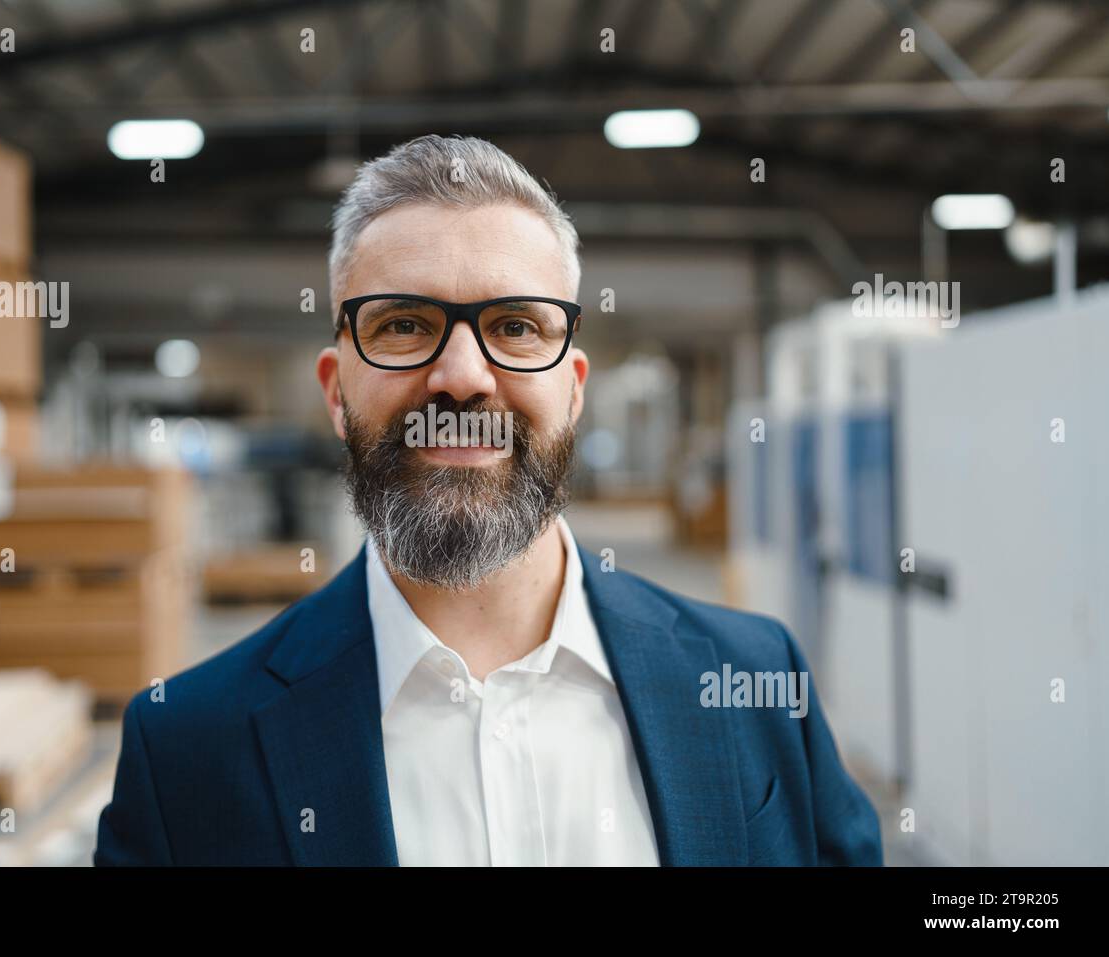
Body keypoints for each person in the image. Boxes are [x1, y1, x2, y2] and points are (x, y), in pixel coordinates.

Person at [95, 134, 883, 866]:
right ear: (336, 393)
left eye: (514, 326)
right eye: (404, 324)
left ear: (572, 392)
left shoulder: (753, 680)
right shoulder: (188, 752)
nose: (463, 376)